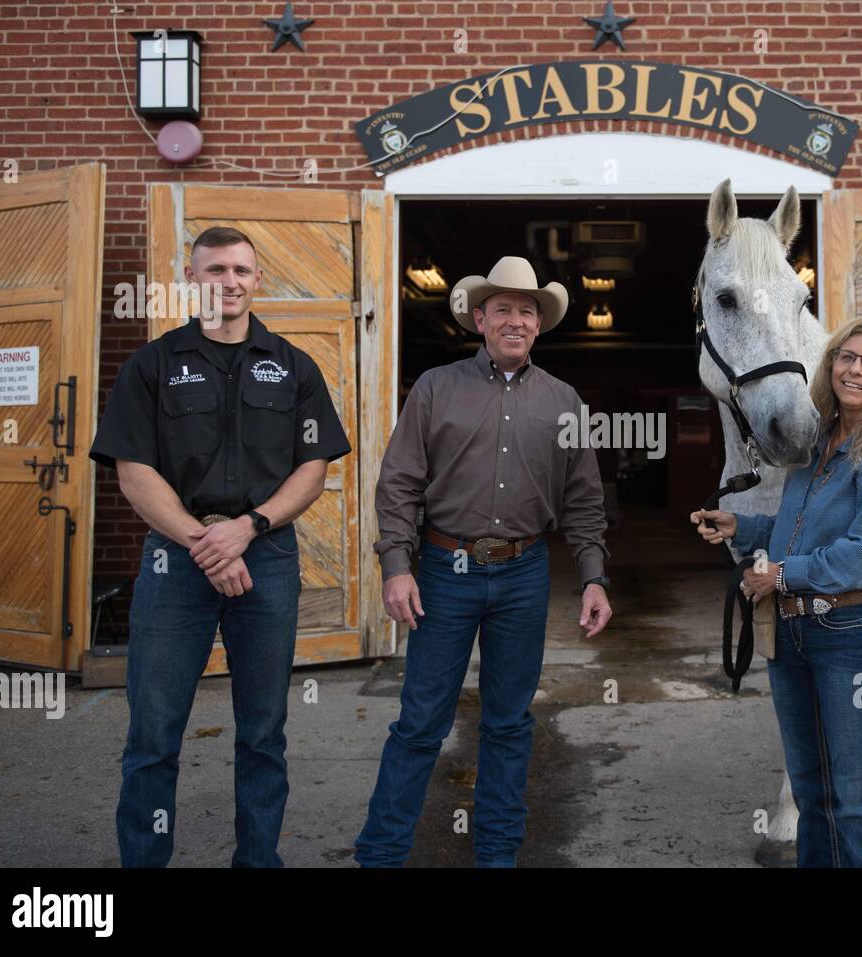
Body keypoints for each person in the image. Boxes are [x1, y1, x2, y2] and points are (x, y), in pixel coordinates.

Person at [89, 226, 352, 867]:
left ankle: (258, 861)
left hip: (266, 555)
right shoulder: (152, 366)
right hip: (174, 560)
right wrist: (205, 542)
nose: (228, 282)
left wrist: (248, 529)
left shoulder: (294, 367)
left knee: (263, 732)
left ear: (258, 279)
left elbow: (313, 468)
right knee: (153, 732)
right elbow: (133, 470)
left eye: (240, 269)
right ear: (191, 278)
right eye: (214, 270)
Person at [356, 255, 612, 867]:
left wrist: (594, 577)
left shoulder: (565, 401)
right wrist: (397, 564)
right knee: (420, 722)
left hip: (524, 574)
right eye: (503, 309)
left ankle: (497, 854)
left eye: (527, 311)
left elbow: (585, 501)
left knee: (508, 723)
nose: (515, 320)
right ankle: (381, 856)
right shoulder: (436, 388)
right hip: (445, 572)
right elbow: (398, 485)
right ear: (480, 319)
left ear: (539, 325)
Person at [691, 319, 862, 868]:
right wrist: (741, 528)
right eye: (846, 357)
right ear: (829, 365)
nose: (855, 370)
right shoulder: (819, 445)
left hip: (854, 632)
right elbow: (797, 527)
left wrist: (777, 575)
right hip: (795, 633)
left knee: (858, 798)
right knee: (813, 792)